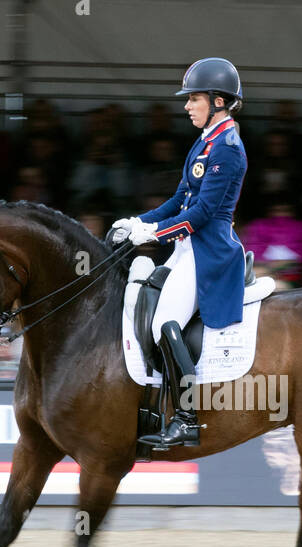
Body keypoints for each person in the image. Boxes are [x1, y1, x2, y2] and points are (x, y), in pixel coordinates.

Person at [109, 58, 248, 449]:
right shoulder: (205, 140)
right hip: (187, 246)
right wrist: (137, 220)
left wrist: (152, 233)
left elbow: (202, 214)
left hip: (209, 249)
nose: (187, 106)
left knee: (164, 321)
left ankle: (187, 417)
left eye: (194, 99)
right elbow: (179, 200)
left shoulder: (229, 148)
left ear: (218, 101)